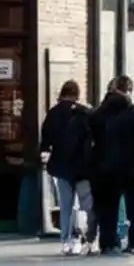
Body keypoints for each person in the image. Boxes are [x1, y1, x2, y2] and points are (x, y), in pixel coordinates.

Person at [90, 75, 134, 255]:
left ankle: (108, 242)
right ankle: (133, 242)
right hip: (132, 170)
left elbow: (91, 142)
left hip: (104, 170)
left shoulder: (98, 114)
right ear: (128, 91)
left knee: (107, 208)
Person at [40, 80, 95, 255]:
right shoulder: (85, 113)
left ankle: (66, 240)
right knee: (88, 205)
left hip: (61, 166)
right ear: (77, 94)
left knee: (66, 206)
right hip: (83, 168)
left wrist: (44, 153)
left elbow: (46, 139)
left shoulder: (53, 114)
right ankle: (91, 239)